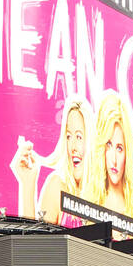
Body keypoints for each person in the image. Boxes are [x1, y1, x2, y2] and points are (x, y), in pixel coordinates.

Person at [10, 96, 95, 225]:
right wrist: (28, 185)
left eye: (79, 137)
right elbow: (35, 243)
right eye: (68, 136)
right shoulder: (57, 186)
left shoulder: (104, 194)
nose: (72, 147)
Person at [88, 91, 133, 220]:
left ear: (127, 153)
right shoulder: (89, 200)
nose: (114, 160)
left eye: (119, 148)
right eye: (108, 145)